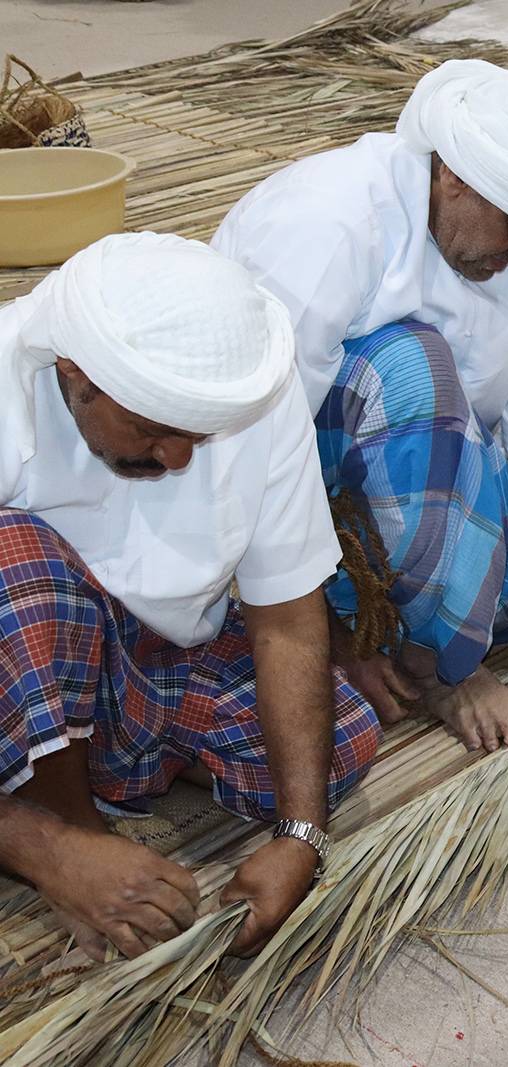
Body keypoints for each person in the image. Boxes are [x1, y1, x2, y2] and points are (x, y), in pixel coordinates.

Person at [214, 61, 508, 755]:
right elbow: (256, 453)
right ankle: (437, 663)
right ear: (455, 177)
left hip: (445, 486)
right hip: (294, 501)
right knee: (411, 364)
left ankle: (443, 608)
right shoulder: (333, 222)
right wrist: (334, 639)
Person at [0, 233, 380, 961]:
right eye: (154, 430)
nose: (179, 458)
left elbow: (289, 624)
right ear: (76, 372)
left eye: (198, 437)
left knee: (341, 733)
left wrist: (302, 836)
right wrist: (56, 852)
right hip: (19, 651)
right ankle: (70, 821)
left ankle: (91, 767)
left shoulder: (245, 389)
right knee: (16, 556)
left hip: (144, 662)